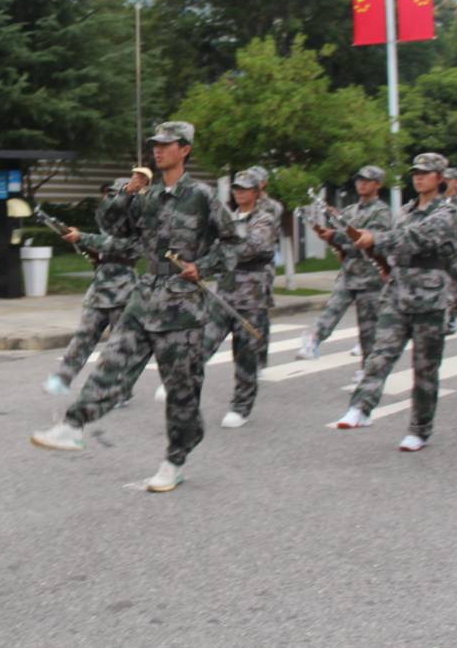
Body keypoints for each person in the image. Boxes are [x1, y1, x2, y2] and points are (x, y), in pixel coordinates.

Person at [30, 122, 239, 492]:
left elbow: (233, 243)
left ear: (185, 149)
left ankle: (175, 460)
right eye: (155, 145)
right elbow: (117, 231)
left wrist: (202, 267)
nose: (157, 151)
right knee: (113, 362)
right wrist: (126, 193)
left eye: (166, 145)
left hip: (183, 306)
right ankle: (73, 425)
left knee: (181, 391)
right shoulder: (150, 197)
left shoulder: (202, 196)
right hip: (145, 297)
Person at [333, 153, 457, 452]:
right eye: (416, 172)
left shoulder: (448, 212)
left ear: (440, 178)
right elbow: (391, 245)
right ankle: (361, 408)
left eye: (426, 173)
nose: (419, 177)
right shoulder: (404, 210)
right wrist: (365, 249)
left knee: (425, 370)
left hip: (430, 299)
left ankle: (420, 429)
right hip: (397, 296)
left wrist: (376, 239)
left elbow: (416, 238)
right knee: (379, 356)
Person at [42, 177, 141, 398]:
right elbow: (98, 248)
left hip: (124, 292)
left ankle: (120, 390)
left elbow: (116, 245)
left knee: (120, 344)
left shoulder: (138, 228)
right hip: (100, 289)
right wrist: (76, 239)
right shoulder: (105, 226)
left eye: (115, 195)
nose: (109, 199)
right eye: (108, 194)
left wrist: (83, 237)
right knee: (84, 335)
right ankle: (63, 377)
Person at [298, 166, 392, 382]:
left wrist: (337, 236)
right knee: (332, 309)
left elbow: (369, 239)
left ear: (378, 184)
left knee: (368, 329)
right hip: (349, 273)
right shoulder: (350, 210)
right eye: (359, 180)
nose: (362, 184)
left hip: (370, 277)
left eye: (368, 180)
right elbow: (342, 237)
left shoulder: (381, 212)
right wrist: (329, 234)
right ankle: (313, 340)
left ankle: (367, 371)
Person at [200, 169, 277, 428]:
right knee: (204, 340)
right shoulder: (230, 218)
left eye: (245, 188)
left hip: (251, 295)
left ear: (256, 192)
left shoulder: (264, 218)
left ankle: (241, 406)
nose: (239, 192)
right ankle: (180, 385)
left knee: (244, 354)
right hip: (225, 292)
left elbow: (254, 246)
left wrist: (224, 248)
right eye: (236, 188)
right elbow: (213, 247)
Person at [442, 167, 457, 335]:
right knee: (443, 286)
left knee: (455, 287)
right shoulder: (436, 201)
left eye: (449, 180)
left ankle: (452, 317)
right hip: (440, 253)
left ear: (456, 182)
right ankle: (445, 317)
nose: (445, 183)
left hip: (456, 253)